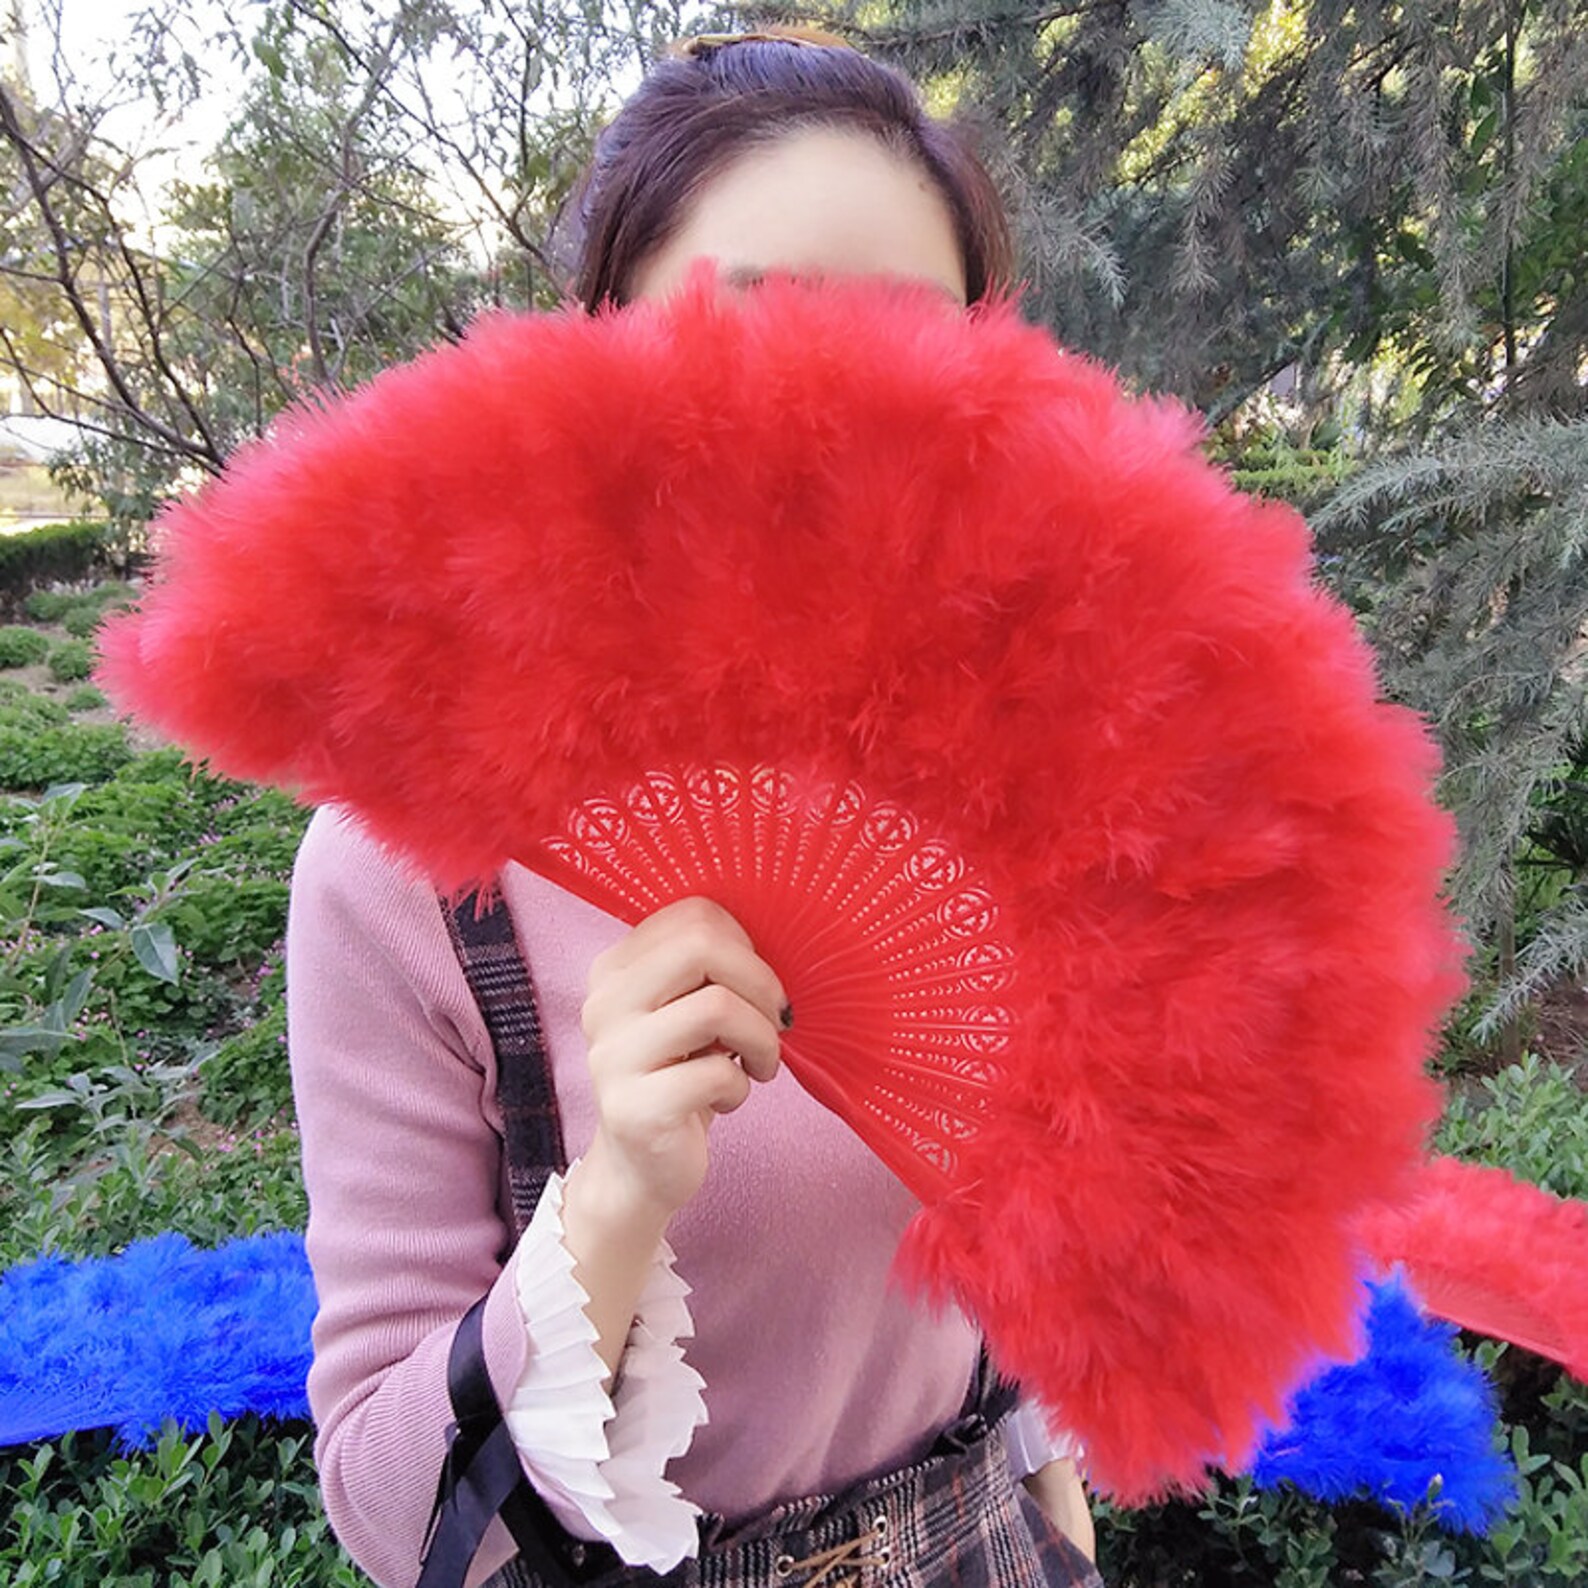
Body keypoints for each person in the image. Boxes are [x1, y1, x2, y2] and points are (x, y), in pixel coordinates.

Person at [286, 26, 1099, 1588]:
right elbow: (391, 1523)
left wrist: (1054, 1496)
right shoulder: (419, 868)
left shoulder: (1009, 775)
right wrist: (613, 1202)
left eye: (912, 357)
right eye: (754, 345)